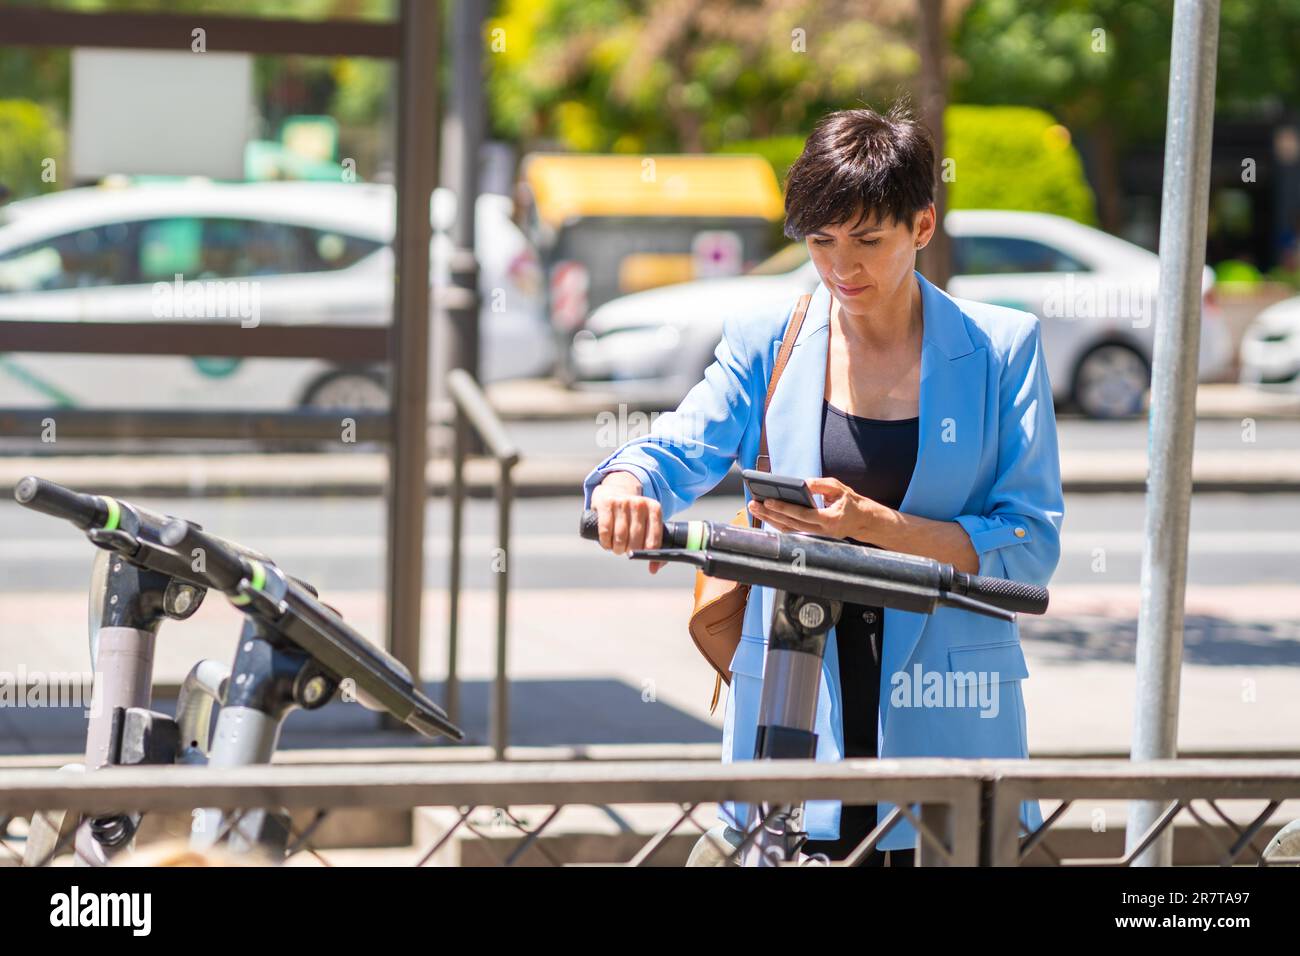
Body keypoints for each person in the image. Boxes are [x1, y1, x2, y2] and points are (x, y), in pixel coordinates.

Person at [583, 103, 1064, 865]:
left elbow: (1030, 546)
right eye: (821, 241)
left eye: (868, 240)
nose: (843, 267)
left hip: (951, 718)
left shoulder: (1002, 349)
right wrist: (628, 482)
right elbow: (681, 443)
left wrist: (873, 526)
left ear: (923, 227)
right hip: (794, 701)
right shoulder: (764, 340)